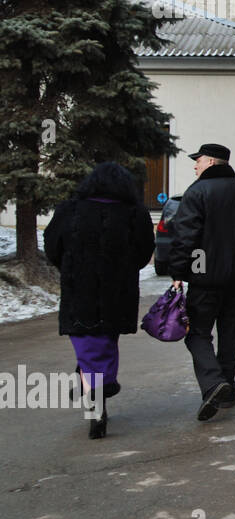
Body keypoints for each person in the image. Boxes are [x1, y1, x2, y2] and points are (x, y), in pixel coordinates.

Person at [43, 162, 155, 439]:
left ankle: (96, 397)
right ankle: (102, 387)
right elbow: (144, 250)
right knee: (104, 341)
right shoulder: (135, 213)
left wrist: (70, 265)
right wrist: (125, 268)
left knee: (86, 344)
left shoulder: (69, 209)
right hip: (117, 291)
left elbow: (51, 246)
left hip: (79, 288)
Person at [168, 142, 235, 421]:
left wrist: (179, 272)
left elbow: (185, 237)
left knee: (197, 332)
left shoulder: (197, 192)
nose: (195, 165)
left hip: (205, 279)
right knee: (231, 333)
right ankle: (228, 389)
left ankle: (214, 383)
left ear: (211, 162)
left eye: (198, 161)